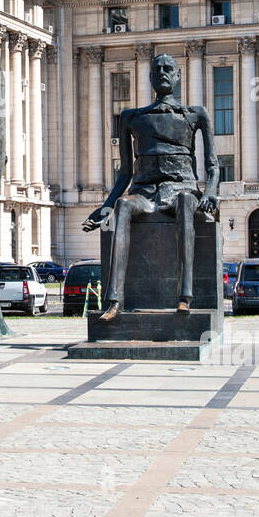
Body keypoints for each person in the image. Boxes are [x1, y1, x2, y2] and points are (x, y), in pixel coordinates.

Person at [81, 53, 219, 319]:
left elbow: (213, 166)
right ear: (150, 78)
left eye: (169, 69)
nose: (163, 73)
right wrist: (106, 205)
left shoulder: (195, 114)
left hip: (182, 190)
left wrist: (211, 192)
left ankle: (185, 297)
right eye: (158, 69)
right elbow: (125, 173)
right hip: (144, 192)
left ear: (178, 77)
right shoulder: (132, 117)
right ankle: (114, 302)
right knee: (123, 206)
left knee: (184, 203)